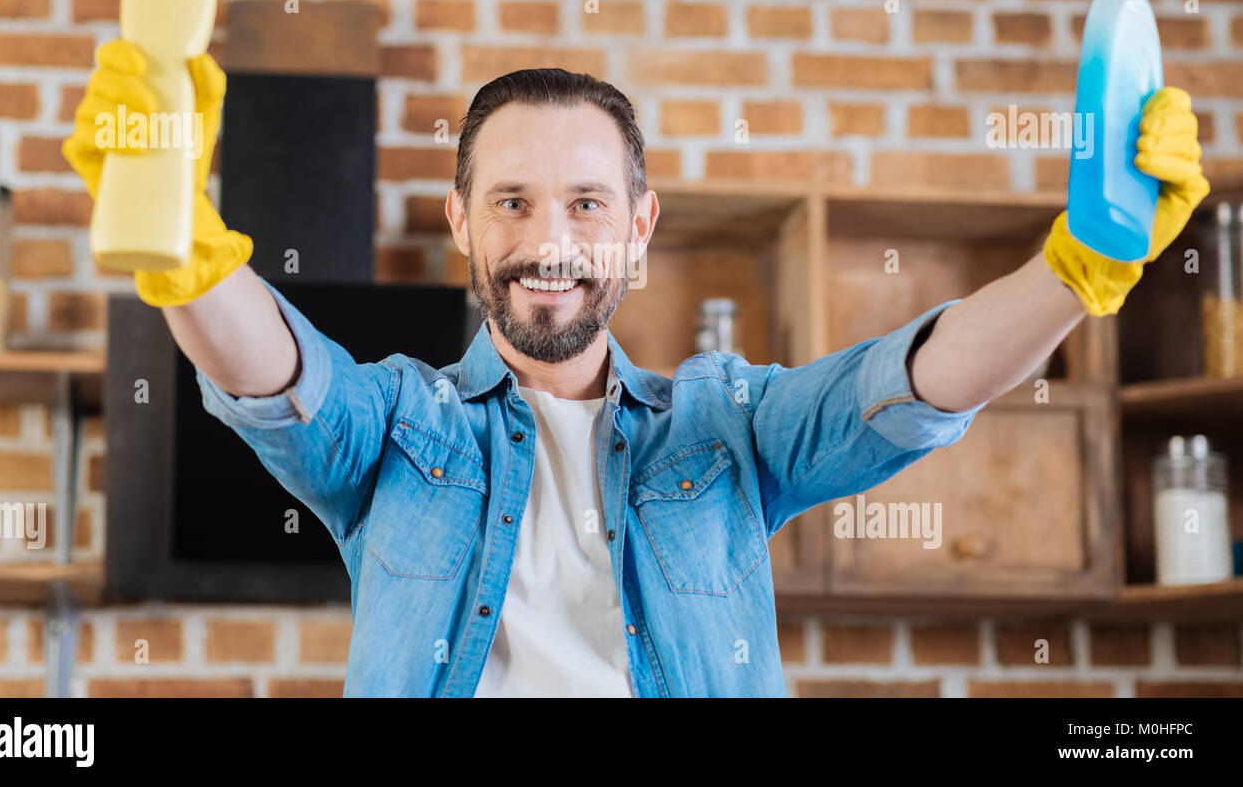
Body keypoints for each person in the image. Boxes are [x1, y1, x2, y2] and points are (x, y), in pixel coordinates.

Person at [63, 41, 1208, 696]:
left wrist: (1077, 271)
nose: (549, 241)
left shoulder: (729, 427)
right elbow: (282, 380)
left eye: (585, 203)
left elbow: (907, 386)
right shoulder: (403, 427)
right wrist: (184, 260)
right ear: (460, 222)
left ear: (638, 225)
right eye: (511, 202)